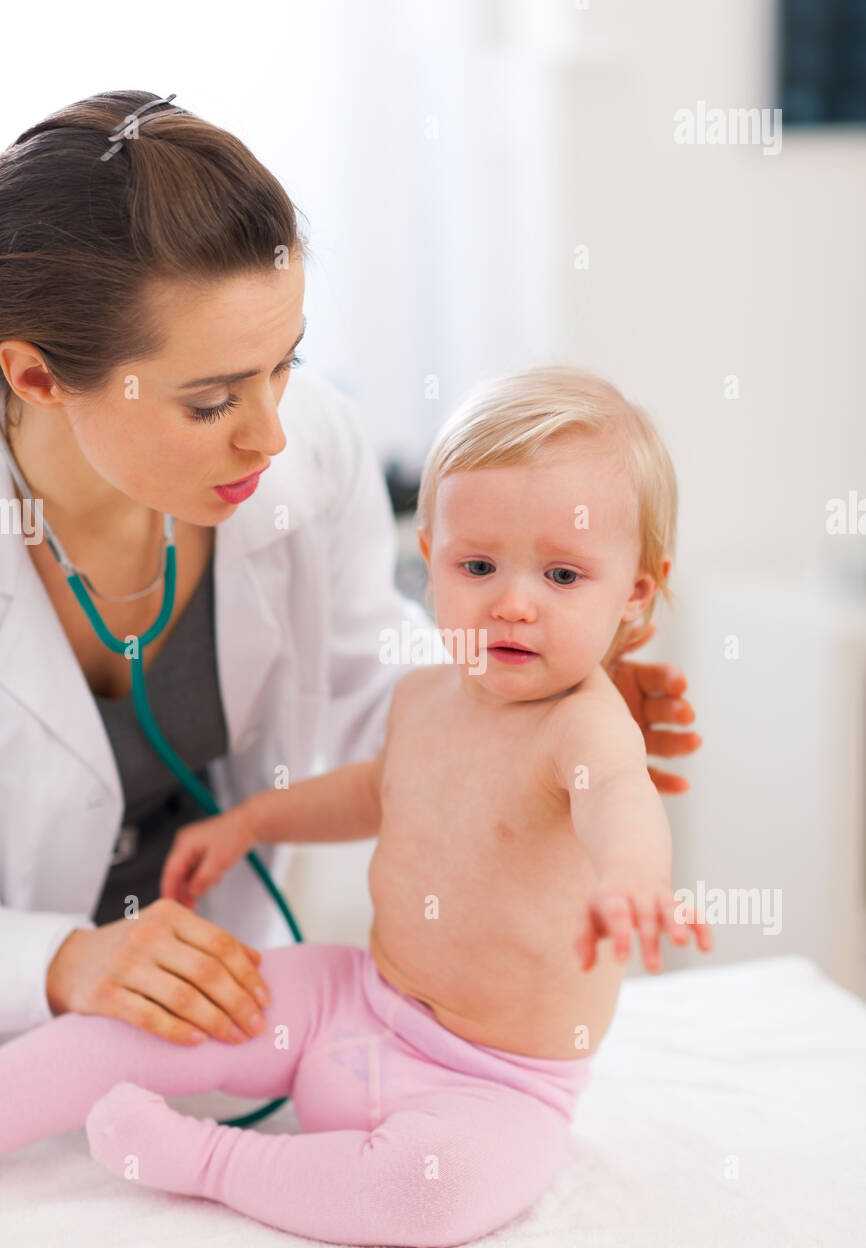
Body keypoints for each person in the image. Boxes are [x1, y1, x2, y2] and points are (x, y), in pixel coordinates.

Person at [0, 91, 700, 1048]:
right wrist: (56, 960)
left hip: (214, 1009)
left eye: (283, 365)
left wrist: (519, 708)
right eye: (209, 402)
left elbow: (374, 693)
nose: (271, 433)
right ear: (36, 376)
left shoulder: (310, 452)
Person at [0, 364, 710, 1248]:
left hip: (495, 1084)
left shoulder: (585, 727)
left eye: (564, 576)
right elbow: (375, 791)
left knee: (430, 1195)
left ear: (635, 594)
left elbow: (618, 799)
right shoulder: (427, 694)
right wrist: (253, 822)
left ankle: (205, 1161)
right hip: (357, 1000)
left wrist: (633, 877)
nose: (513, 602)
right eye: (478, 565)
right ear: (432, 561)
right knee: (161, 1014)